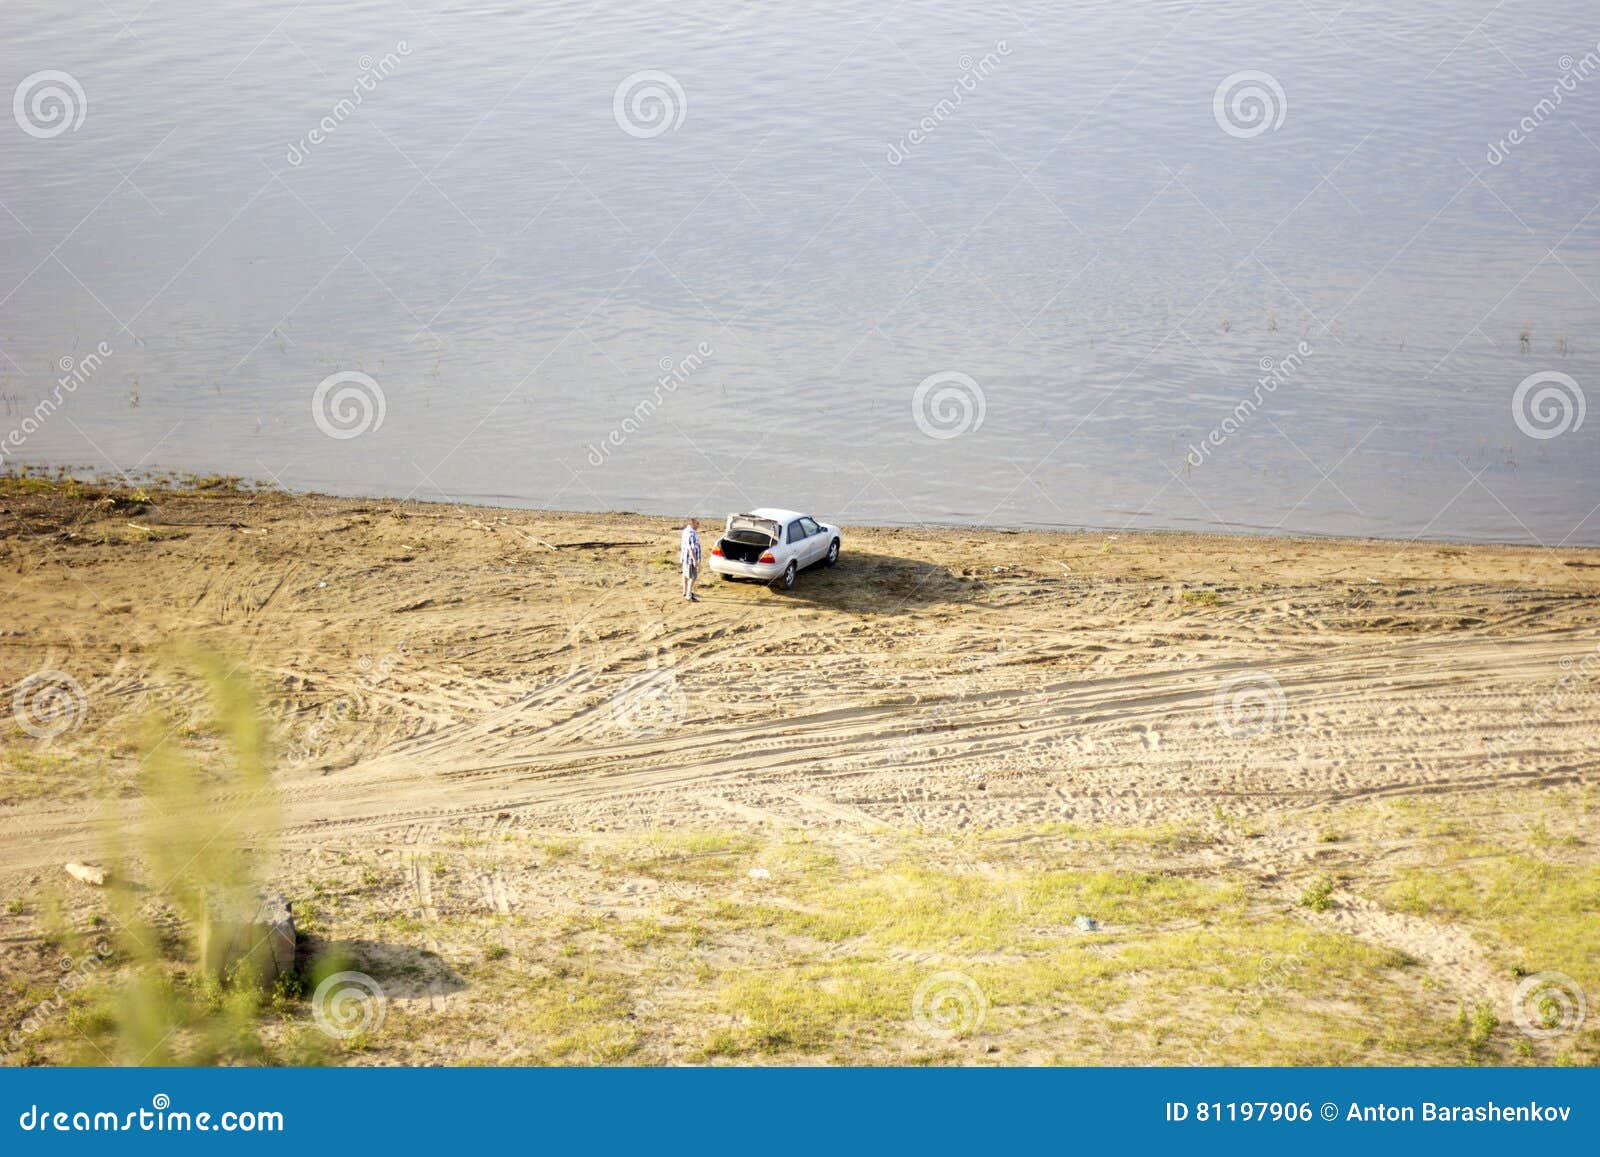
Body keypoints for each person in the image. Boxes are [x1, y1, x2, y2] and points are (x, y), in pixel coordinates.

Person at [679, 517, 702, 601]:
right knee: (693, 576)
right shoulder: (691, 533)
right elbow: (691, 548)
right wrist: (695, 560)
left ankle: (685, 591)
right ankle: (688, 594)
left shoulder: (686, 531)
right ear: (692, 523)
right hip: (689, 559)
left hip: (685, 558)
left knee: (685, 575)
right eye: (697, 523)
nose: (698, 525)